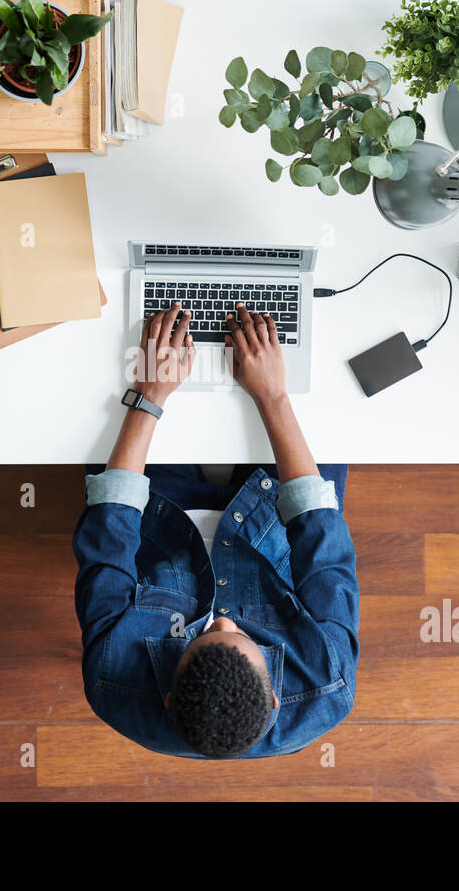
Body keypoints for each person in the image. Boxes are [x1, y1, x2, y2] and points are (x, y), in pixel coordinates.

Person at [73, 301, 359, 759]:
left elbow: (109, 527)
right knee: (328, 383)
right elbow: (321, 535)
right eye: (243, 637)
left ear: (167, 694)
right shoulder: (327, 681)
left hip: (163, 519)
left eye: (202, 634)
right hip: (274, 524)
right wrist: (272, 397)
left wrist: (151, 394)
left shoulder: (114, 679)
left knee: (110, 372)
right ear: (275, 699)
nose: (222, 618)